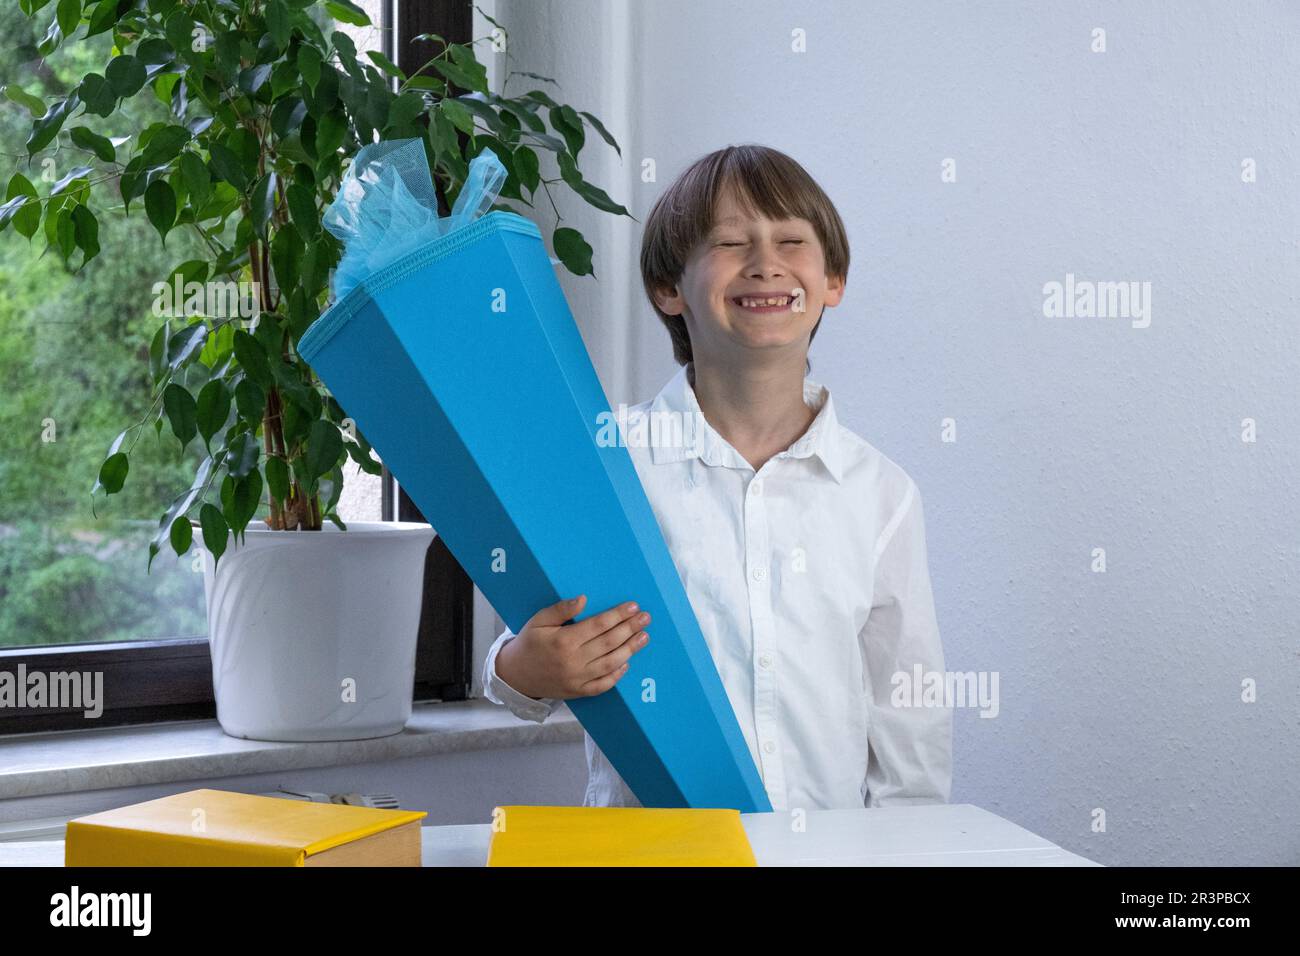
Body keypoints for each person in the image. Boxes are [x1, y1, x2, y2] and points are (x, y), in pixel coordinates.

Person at [483, 143, 952, 811]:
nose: (765, 263)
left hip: (823, 855)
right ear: (669, 288)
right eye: (731, 243)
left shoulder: (881, 494)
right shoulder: (608, 462)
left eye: (792, 241)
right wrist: (524, 669)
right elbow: (521, 651)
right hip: (649, 851)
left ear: (833, 280)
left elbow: (910, 721)